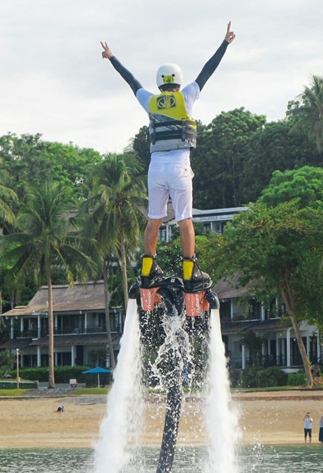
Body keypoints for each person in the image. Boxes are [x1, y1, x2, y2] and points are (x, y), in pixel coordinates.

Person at [100, 22, 236, 292]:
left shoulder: (149, 101)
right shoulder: (187, 96)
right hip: (179, 167)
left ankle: (147, 269)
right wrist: (225, 43)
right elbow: (208, 70)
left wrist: (112, 57)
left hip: (156, 169)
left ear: (159, 83)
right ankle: (189, 271)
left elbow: (131, 81)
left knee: (154, 219)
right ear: (178, 82)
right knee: (185, 219)